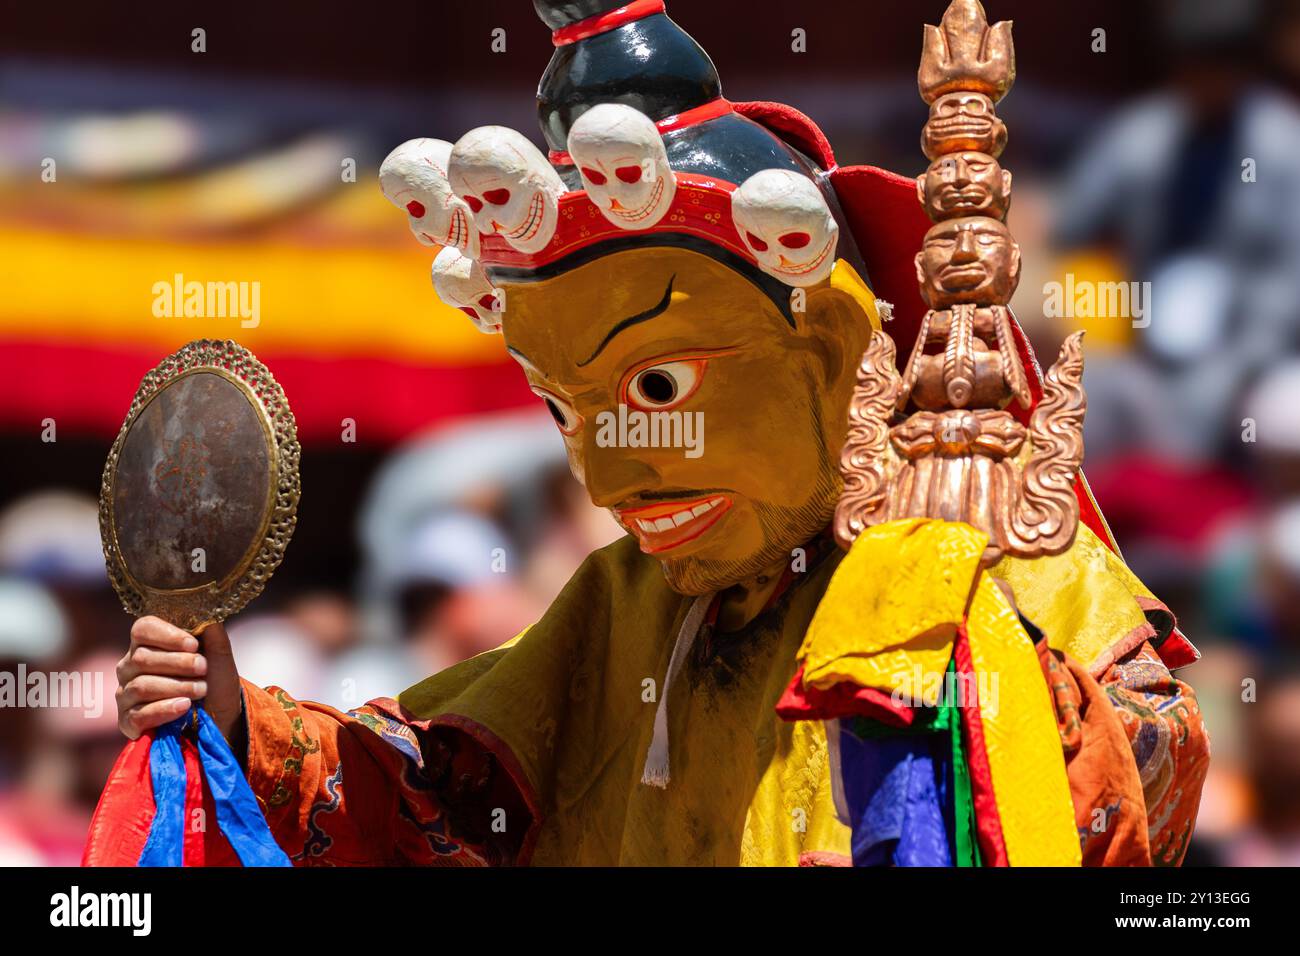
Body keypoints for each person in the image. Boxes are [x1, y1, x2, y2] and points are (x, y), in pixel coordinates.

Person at [87, 0, 1208, 866]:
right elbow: (433, 796)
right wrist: (229, 713)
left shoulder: (985, 552)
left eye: (657, 383)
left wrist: (946, 664)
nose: (608, 467)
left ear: (826, 349)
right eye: (566, 407)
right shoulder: (625, 605)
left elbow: (1152, 768)